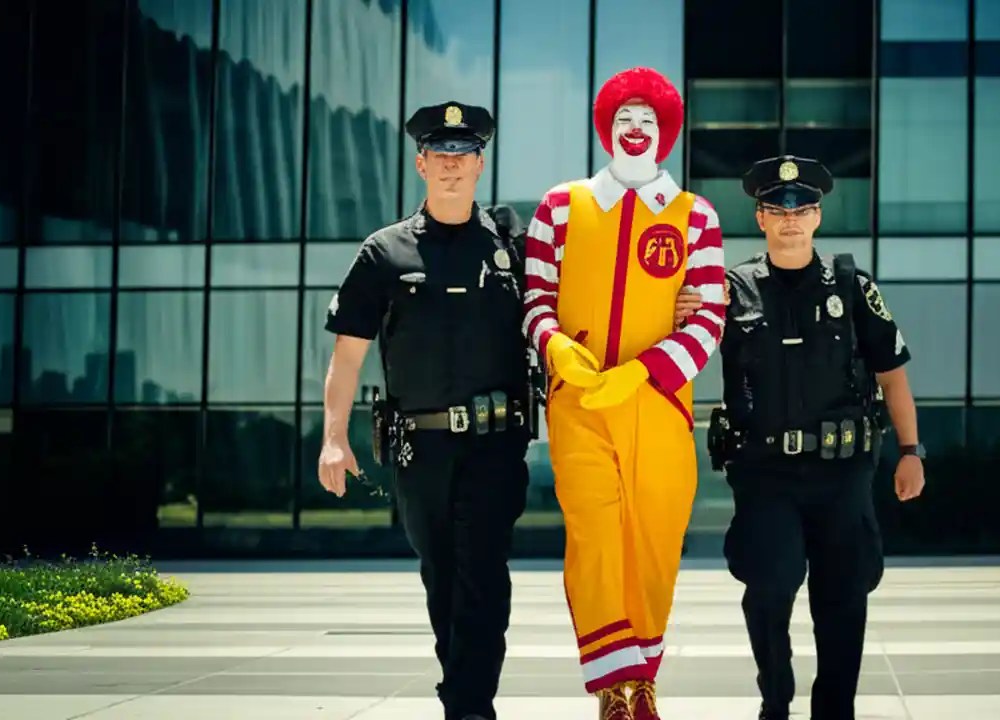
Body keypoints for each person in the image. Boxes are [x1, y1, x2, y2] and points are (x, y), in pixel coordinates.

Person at [316, 100, 709, 720]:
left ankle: (471, 705)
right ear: (421, 163)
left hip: (496, 445)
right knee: (440, 572)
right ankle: (461, 688)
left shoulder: (513, 244)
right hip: (421, 446)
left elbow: (580, 281)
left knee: (482, 574)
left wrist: (677, 297)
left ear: (479, 165)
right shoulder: (384, 251)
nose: (451, 166)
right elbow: (347, 353)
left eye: (463, 156)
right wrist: (333, 437)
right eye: (440, 156)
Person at [522, 66, 727, 719]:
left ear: (664, 132)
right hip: (578, 400)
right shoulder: (560, 206)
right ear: (605, 127)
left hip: (660, 404)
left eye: (647, 120)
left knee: (655, 539)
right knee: (595, 534)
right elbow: (534, 298)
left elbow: (711, 314)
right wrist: (555, 345)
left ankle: (643, 678)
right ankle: (615, 688)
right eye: (623, 119)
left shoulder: (696, 215)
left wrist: (645, 370)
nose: (634, 130)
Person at [707, 155, 925, 720]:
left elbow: (892, 372)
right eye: (777, 209)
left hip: (842, 473)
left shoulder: (852, 286)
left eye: (801, 208)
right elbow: (675, 343)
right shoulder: (729, 291)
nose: (790, 219)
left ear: (817, 217)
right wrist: (685, 309)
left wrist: (910, 452)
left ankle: (835, 711)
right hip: (765, 474)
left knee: (843, 599)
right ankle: (775, 701)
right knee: (769, 589)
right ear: (759, 218)